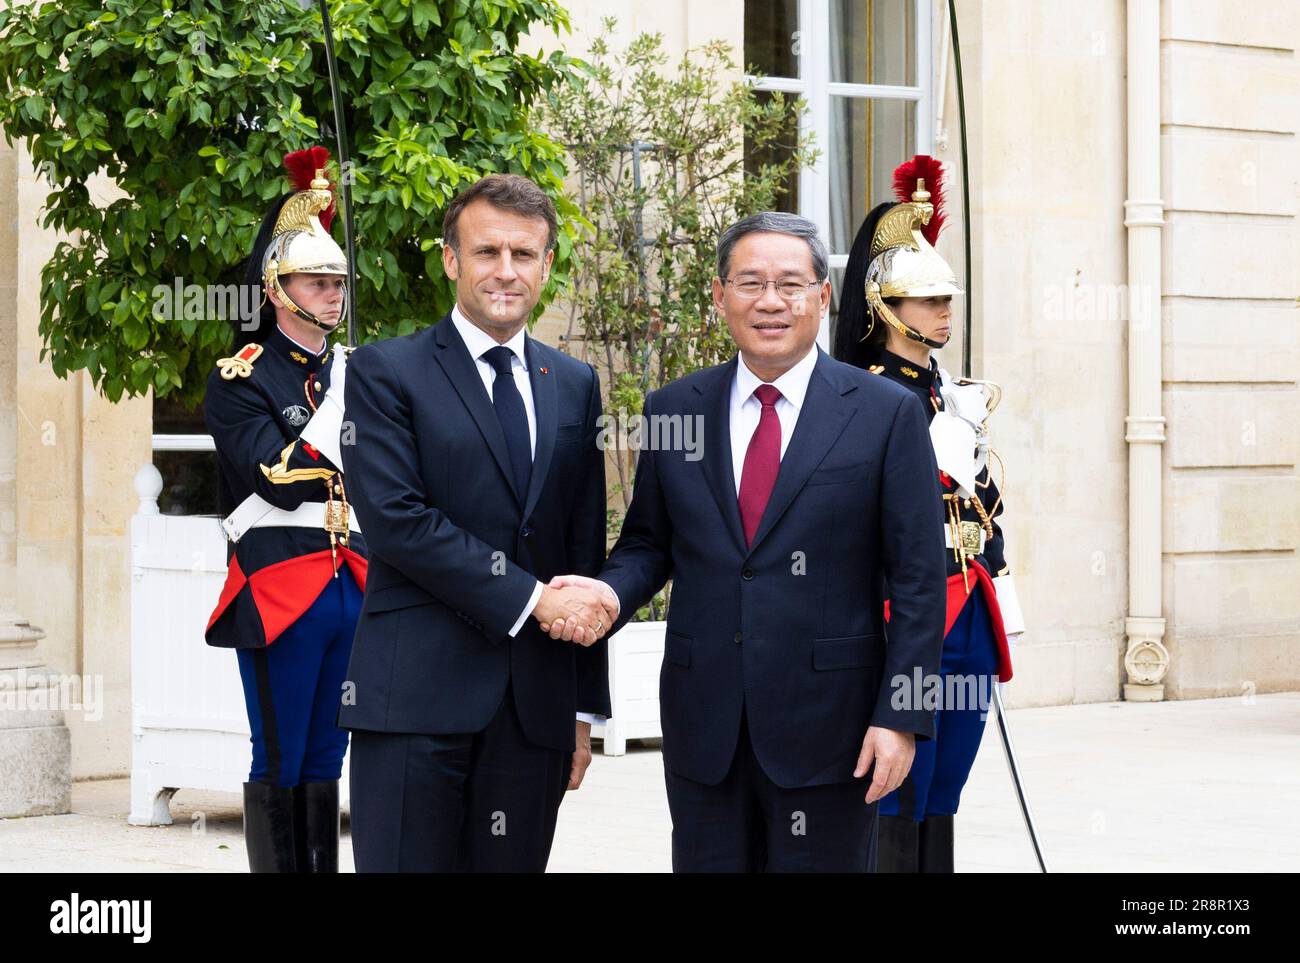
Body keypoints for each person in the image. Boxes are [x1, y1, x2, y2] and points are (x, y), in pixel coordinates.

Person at [546, 211, 948, 872]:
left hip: (835, 730)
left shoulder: (886, 413)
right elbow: (648, 543)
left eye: (790, 284)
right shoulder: (675, 408)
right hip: (705, 727)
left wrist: (902, 717)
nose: (770, 301)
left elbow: (920, 581)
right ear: (719, 295)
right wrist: (607, 595)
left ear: (823, 295)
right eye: (751, 282)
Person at [339, 173, 614, 873]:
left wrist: (583, 709)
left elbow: (582, 548)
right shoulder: (384, 371)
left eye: (524, 254)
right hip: (414, 703)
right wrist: (533, 600)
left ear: (546, 266)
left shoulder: (574, 384)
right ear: (451, 259)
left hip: (534, 714)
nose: (506, 271)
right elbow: (398, 521)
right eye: (487, 251)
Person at [832, 154, 1027, 872]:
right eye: (929, 300)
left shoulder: (951, 393)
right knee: (900, 786)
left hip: (970, 605)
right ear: (886, 304)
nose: (945, 311)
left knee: (946, 785)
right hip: (908, 610)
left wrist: (997, 570)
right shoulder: (866, 395)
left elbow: (984, 502)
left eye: (948, 298)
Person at [204, 146, 366, 872]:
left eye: (337, 281)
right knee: (280, 752)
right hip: (279, 581)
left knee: (329, 754)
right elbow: (276, 476)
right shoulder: (240, 376)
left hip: (352, 578)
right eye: (316, 281)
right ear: (277, 288)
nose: (333, 294)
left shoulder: (358, 371)